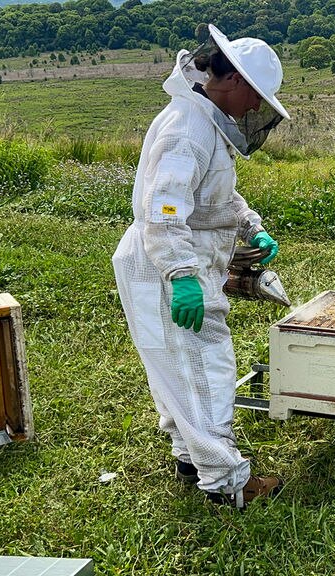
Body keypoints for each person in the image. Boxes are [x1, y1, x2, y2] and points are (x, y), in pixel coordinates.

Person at [112, 24, 289, 510]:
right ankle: (227, 482)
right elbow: (163, 210)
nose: (255, 109)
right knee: (206, 369)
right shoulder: (187, 128)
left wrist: (250, 226)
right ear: (231, 80)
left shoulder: (201, 121)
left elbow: (216, 196)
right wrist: (183, 277)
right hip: (168, 270)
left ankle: (190, 458)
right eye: (255, 97)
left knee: (174, 371)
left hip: (159, 266)